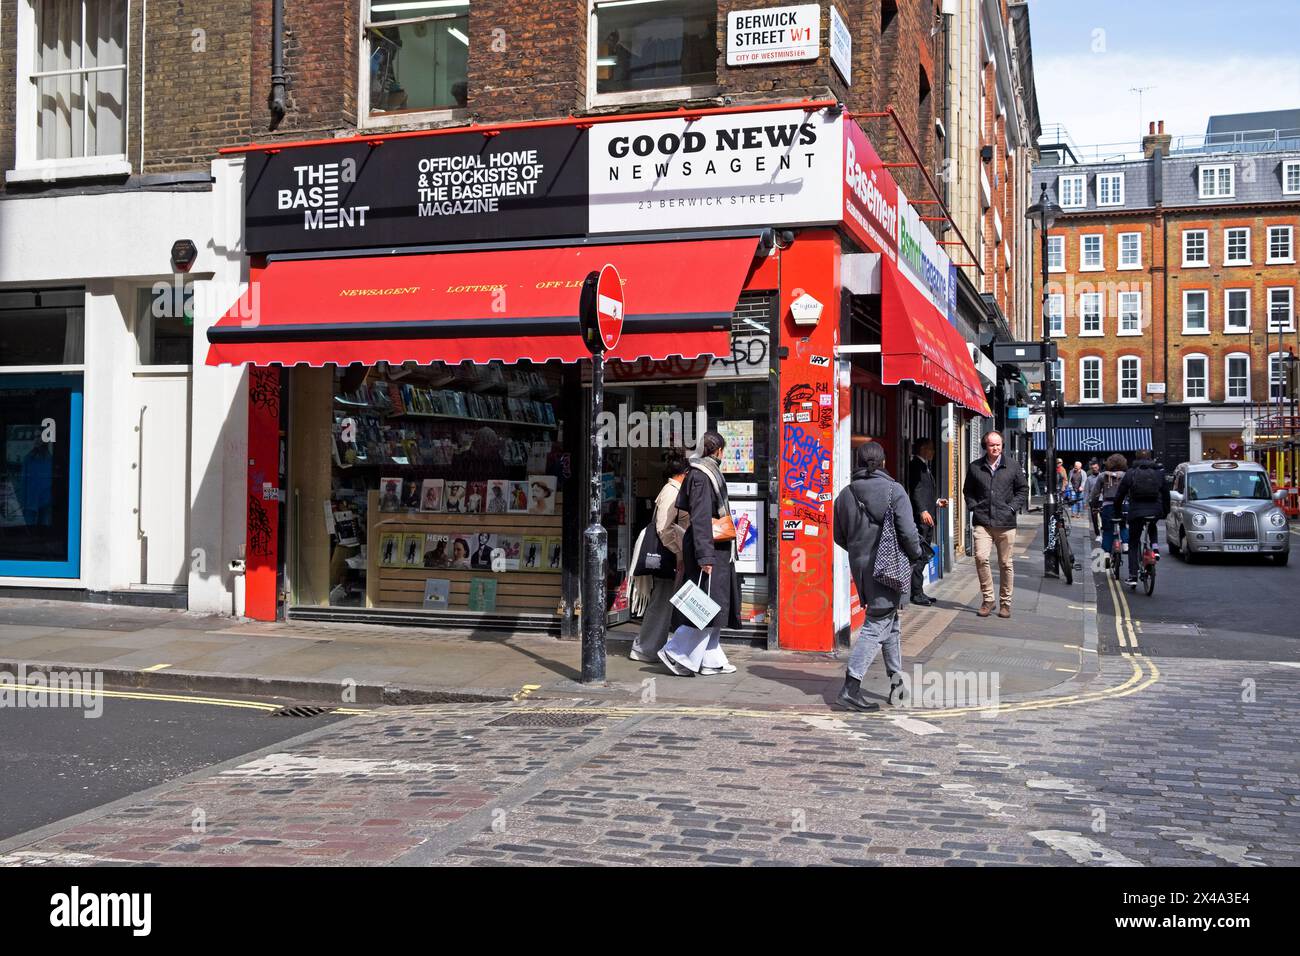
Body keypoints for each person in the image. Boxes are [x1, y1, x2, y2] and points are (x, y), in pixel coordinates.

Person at [833, 442, 926, 712]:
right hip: (888, 568)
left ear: (859, 463)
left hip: (861, 568)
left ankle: (897, 684)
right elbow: (909, 533)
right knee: (876, 625)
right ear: (883, 462)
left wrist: (859, 551)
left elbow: (840, 535)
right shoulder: (894, 491)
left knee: (890, 621)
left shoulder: (846, 494)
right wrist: (916, 554)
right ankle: (850, 687)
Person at [658, 432, 740, 677]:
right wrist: (705, 558)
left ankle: (711, 659)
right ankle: (675, 652)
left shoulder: (704, 473)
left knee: (715, 605)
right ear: (718, 451)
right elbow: (701, 518)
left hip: (716, 548)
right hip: (708, 549)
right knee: (704, 606)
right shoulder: (701, 476)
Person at [629, 450, 689, 663]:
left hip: (673, 553)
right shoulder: (672, 492)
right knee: (662, 600)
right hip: (669, 555)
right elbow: (664, 529)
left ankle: (656, 647)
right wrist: (679, 553)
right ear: (684, 473)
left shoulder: (674, 489)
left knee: (666, 601)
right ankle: (645, 648)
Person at [962, 431, 1029, 619]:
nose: (996, 448)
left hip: (1006, 523)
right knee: (981, 558)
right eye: (992, 445)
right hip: (983, 522)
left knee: (1006, 564)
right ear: (985, 446)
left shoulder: (1013, 466)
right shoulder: (975, 467)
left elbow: (1023, 489)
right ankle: (988, 599)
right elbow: (968, 491)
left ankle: (1005, 603)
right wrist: (974, 506)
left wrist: (1012, 508)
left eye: (998, 445)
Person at [1112, 449, 1170, 587]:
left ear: (1135, 458)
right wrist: (1165, 511)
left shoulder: (1130, 473)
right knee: (1152, 525)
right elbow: (1166, 494)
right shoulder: (1158, 473)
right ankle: (1155, 549)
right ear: (1151, 458)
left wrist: (1117, 512)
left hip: (1136, 512)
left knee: (1134, 542)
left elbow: (1119, 495)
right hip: (1155, 510)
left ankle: (1133, 576)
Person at [906, 438, 947, 606]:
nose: (933, 452)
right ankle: (916, 593)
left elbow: (924, 492)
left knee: (925, 553)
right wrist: (922, 510)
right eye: (931, 448)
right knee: (921, 554)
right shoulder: (916, 465)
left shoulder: (925, 466)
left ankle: (919, 591)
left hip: (928, 516)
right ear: (923, 449)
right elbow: (915, 490)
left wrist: (936, 502)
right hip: (921, 519)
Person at [1091, 453, 1129, 564]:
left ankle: (1107, 554)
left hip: (1108, 506)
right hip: (1123, 505)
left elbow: (1095, 494)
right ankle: (1125, 544)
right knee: (1123, 525)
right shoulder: (1126, 475)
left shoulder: (1102, 476)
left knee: (1107, 530)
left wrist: (1093, 505)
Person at [1083, 462, 1103, 540]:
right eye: (1093, 468)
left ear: (1098, 467)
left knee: (1103, 517)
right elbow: (1086, 491)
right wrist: (1086, 502)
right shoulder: (1089, 479)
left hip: (1102, 500)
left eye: (1096, 467)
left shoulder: (1102, 476)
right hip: (1093, 501)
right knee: (1094, 519)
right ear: (1091, 469)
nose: (1094, 469)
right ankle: (1097, 534)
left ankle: (1104, 532)